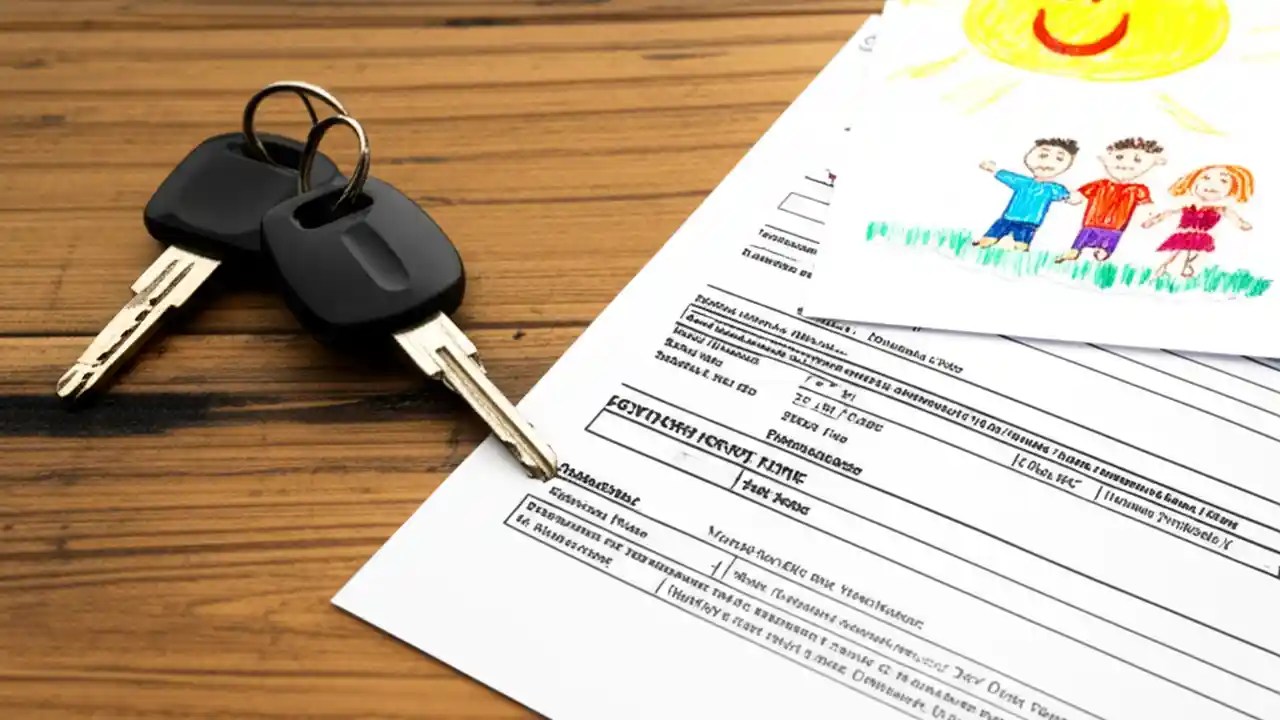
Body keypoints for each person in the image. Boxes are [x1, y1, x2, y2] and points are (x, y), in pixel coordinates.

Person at [1055, 137, 1165, 264]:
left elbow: (1146, 206)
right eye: (1119, 158)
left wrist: (1149, 217)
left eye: (1137, 160)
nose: (1126, 164)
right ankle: (1074, 251)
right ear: (1105, 158)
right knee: (1082, 239)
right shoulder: (1100, 184)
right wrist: (1072, 197)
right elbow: (1080, 194)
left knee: (1106, 248)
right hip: (1091, 223)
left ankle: (1104, 252)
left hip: (1115, 227)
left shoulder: (1137, 189)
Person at [1143, 165, 1254, 278]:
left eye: (1223, 181)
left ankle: (1187, 266)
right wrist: (1154, 220)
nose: (1213, 185)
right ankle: (1166, 267)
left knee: (1196, 252)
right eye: (1206, 178)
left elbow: (1233, 216)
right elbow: (1170, 212)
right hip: (1184, 232)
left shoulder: (1219, 208)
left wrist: (1241, 223)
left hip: (1202, 235)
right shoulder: (1190, 204)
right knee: (1178, 252)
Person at [974, 138, 1081, 252]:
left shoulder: (1053, 188)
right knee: (990, 237)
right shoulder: (1023, 182)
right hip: (1008, 217)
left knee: (1021, 245)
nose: (1047, 163)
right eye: (1043, 155)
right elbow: (1008, 177)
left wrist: (1072, 198)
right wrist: (993, 169)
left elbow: (1067, 196)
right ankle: (980, 245)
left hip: (1030, 222)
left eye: (1059, 159)